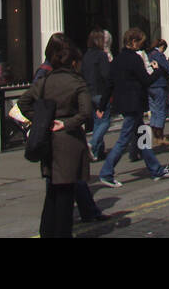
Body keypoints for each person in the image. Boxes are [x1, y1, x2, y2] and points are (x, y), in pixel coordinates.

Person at [19, 36, 94, 237]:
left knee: (52, 192)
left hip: (49, 143)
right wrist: (67, 123)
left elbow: (22, 104)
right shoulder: (77, 82)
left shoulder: (44, 82)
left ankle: (47, 232)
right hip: (69, 142)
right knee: (65, 195)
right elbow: (86, 112)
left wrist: (42, 120)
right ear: (73, 62)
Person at [31, 33, 106, 224]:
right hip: (61, 138)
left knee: (67, 183)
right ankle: (76, 216)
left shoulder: (53, 75)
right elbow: (31, 102)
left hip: (60, 138)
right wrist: (45, 120)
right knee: (60, 188)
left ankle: (87, 211)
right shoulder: (47, 74)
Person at [97, 28, 169, 187]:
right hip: (134, 104)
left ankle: (155, 169)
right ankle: (106, 172)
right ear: (133, 42)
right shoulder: (135, 59)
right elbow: (146, 80)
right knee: (123, 140)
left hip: (124, 104)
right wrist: (157, 70)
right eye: (140, 42)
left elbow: (109, 84)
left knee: (142, 136)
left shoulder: (117, 60)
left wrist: (102, 106)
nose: (141, 46)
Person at [83, 29, 114, 159]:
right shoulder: (102, 56)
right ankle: (92, 143)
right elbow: (106, 75)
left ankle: (97, 152)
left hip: (89, 92)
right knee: (106, 121)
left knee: (97, 121)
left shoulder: (86, 56)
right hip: (100, 92)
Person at [147, 38, 169, 149]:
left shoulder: (149, 54)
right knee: (161, 111)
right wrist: (167, 63)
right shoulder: (158, 55)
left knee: (153, 111)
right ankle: (160, 136)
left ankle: (155, 136)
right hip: (159, 84)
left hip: (149, 85)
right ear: (162, 47)